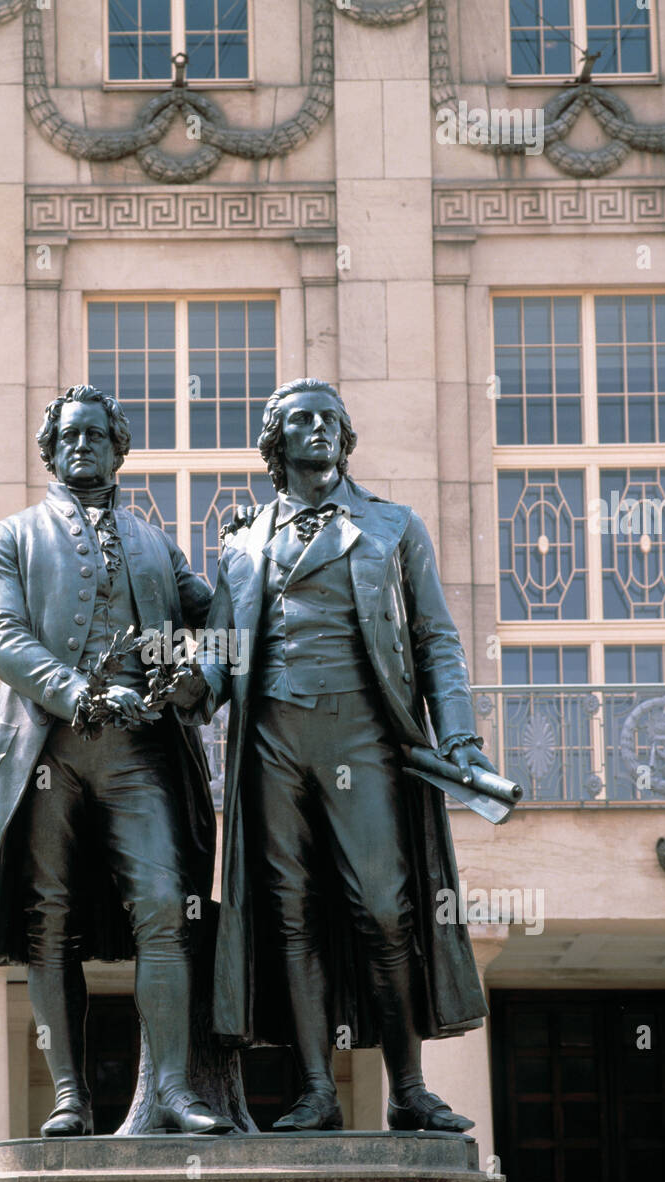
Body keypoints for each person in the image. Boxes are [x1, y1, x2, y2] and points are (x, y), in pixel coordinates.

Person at [175, 378, 495, 1133]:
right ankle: (317, 1089)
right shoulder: (243, 544)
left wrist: (459, 737)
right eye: (299, 420)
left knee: (384, 910)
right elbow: (222, 651)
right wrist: (192, 682)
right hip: (273, 742)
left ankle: (408, 1088)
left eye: (329, 420)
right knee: (290, 916)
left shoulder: (392, 526)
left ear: (344, 439)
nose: (316, 429)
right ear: (275, 441)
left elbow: (436, 641)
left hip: (363, 735)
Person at [0, 385, 229, 1136]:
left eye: (95, 435)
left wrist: (198, 676)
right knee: (47, 922)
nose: (81, 445)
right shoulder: (10, 537)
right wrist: (77, 691)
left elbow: (218, 619)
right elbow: (0, 636)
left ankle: (174, 1093)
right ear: (49, 452)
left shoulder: (155, 544)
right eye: (68, 436)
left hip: (140, 752)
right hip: (44, 751)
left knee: (163, 909)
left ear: (119, 450)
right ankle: (69, 1097)